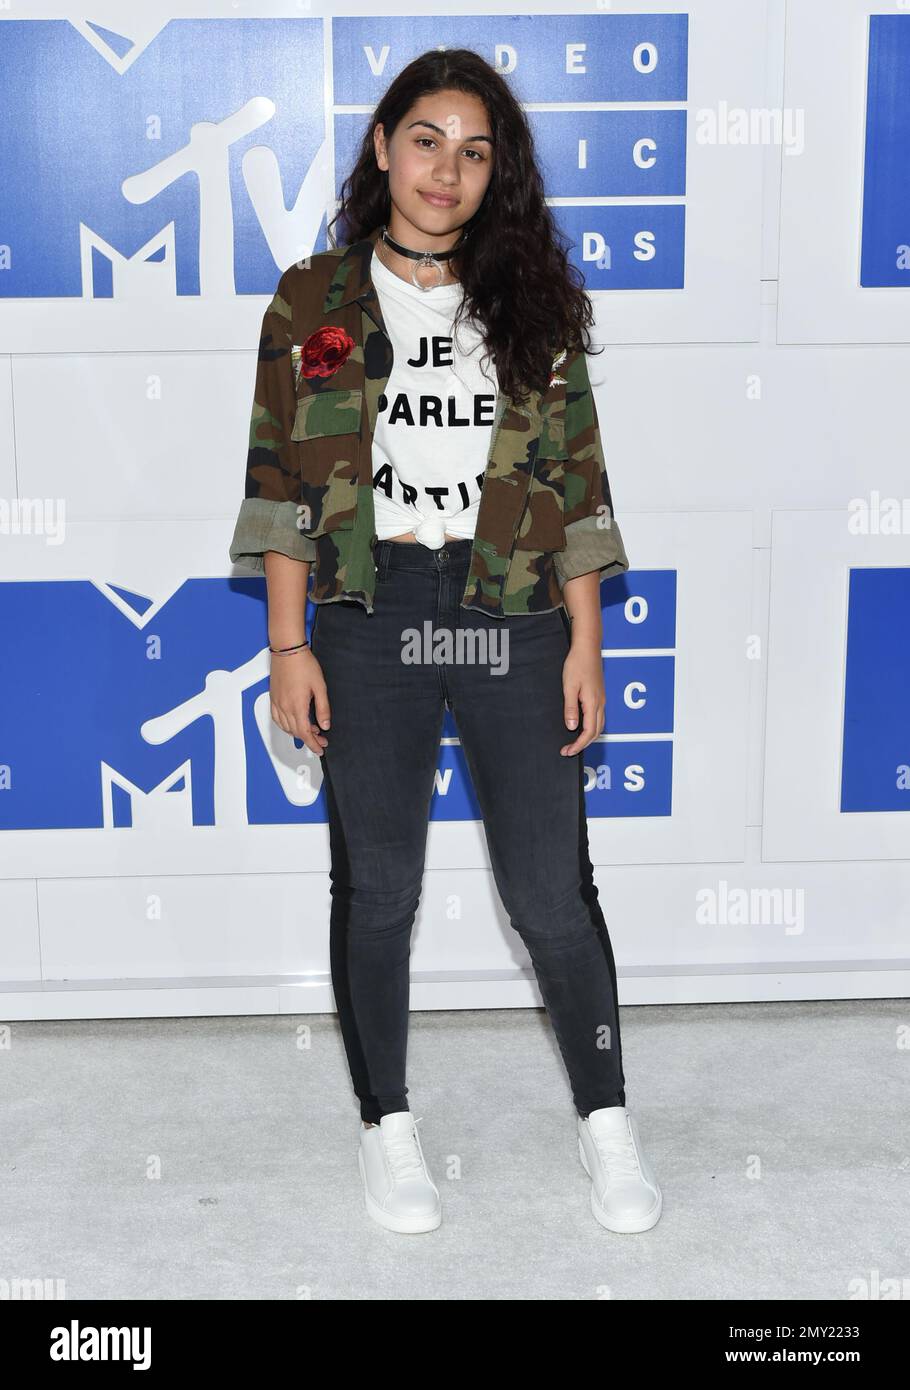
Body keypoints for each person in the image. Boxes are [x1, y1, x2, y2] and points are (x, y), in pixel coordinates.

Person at [229, 48, 661, 1236]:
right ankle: (388, 1126)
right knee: (378, 891)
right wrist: (286, 644)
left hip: (512, 609)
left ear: (495, 172)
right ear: (382, 147)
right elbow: (282, 488)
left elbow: (577, 490)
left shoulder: (532, 305)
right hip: (369, 614)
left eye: (475, 151)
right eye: (426, 140)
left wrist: (586, 644)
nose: (446, 170)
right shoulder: (311, 302)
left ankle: (607, 1121)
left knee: (550, 895)